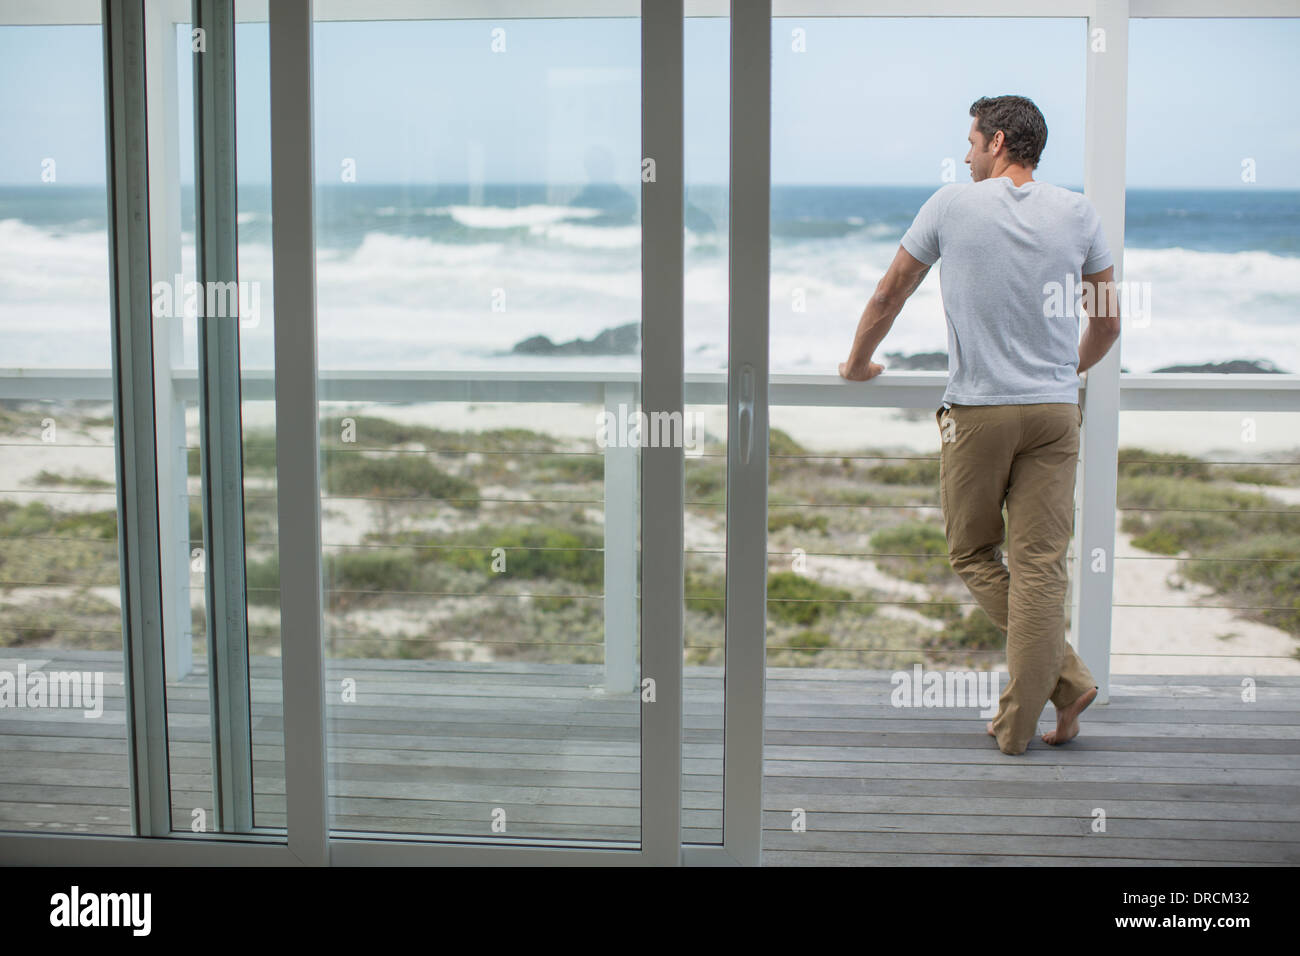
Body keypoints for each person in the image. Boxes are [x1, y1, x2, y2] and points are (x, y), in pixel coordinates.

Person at [837, 94, 1121, 755]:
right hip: (1055, 413)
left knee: (971, 551)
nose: (964, 155)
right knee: (1042, 567)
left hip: (977, 413)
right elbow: (1107, 323)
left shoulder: (949, 206)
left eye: (970, 142)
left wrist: (856, 364)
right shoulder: (1079, 212)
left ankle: (1062, 683)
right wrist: (1063, 375)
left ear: (997, 142)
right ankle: (1050, 697)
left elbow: (889, 293)